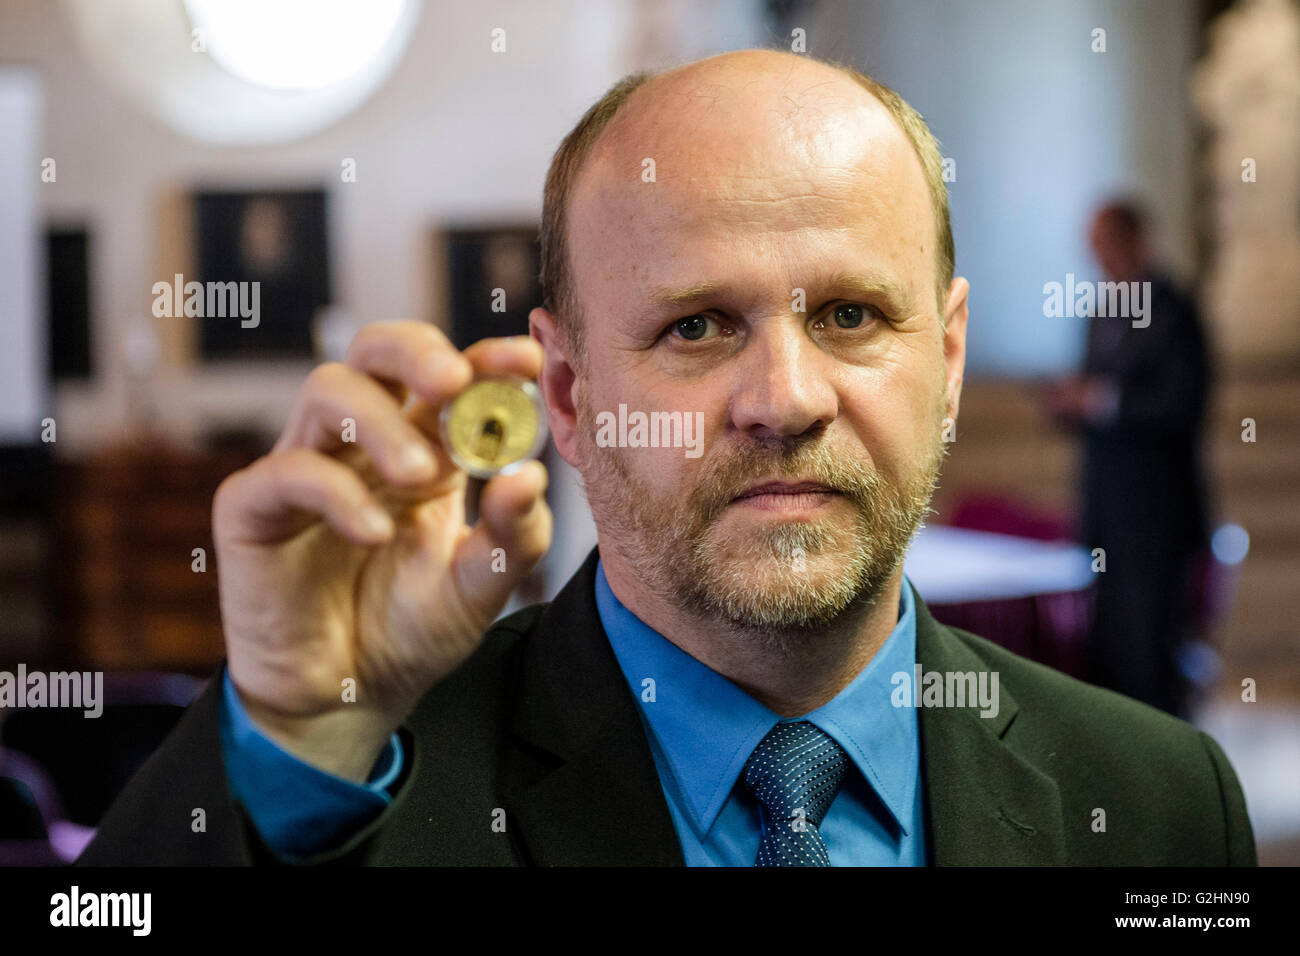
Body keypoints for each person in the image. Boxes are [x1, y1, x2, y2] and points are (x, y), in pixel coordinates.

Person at [79, 49, 1252, 866]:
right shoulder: (361, 796)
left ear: (944, 363)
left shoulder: (1153, 801)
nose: (785, 400)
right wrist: (293, 735)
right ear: (571, 396)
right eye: (696, 326)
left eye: (848, 315)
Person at [1049, 201, 1213, 718]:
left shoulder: (1173, 307)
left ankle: (1168, 776)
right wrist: (1068, 403)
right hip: (1108, 509)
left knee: (1152, 655)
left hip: (1157, 514)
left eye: (1107, 244)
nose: (1099, 257)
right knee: (1111, 650)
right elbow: (1092, 396)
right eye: (1094, 247)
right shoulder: (1101, 311)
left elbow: (1184, 401)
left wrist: (1103, 400)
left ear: (1137, 240)